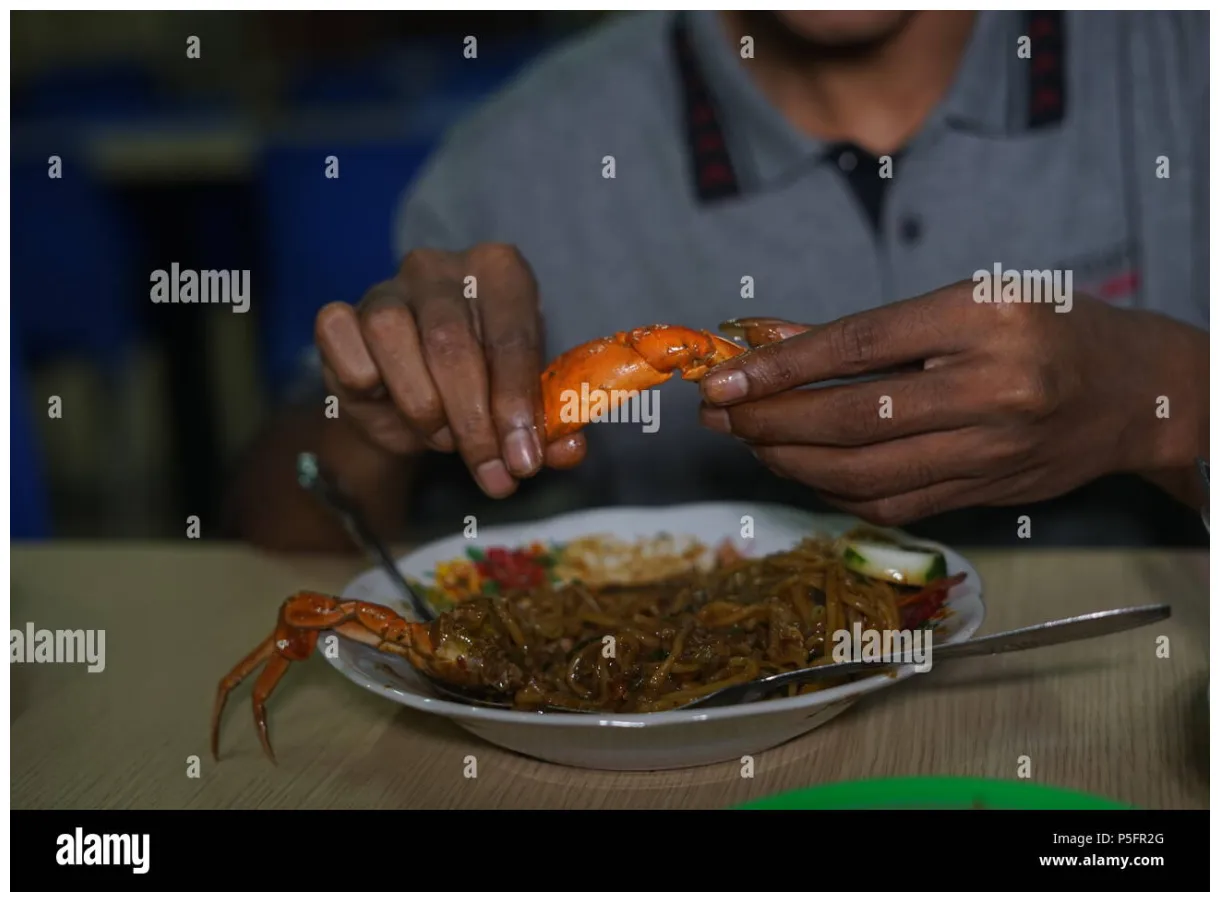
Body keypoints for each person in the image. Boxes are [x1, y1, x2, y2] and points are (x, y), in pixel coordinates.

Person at [224, 10, 1209, 552]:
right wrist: (370, 423)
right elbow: (275, 535)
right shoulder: (522, 155)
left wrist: (1167, 401)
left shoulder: (1181, 67)